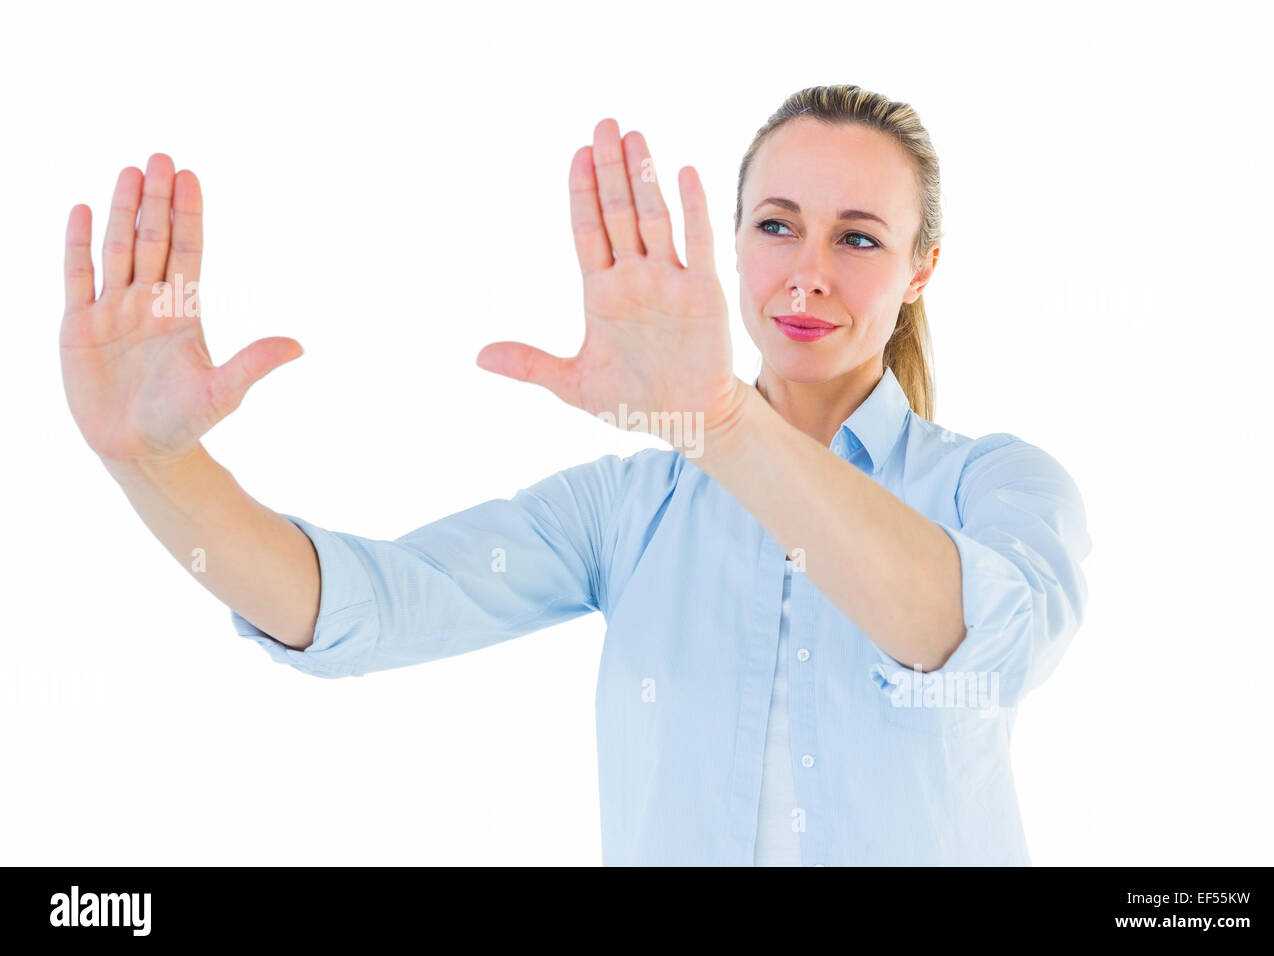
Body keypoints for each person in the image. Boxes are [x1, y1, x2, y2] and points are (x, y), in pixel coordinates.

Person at [60, 84, 1091, 866]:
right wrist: (154, 463)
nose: (807, 270)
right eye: (776, 224)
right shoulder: (628, 510)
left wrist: (720, 422)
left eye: (858, 237)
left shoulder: (999, 487)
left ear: (921, 269)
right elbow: (360, 603)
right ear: (733, 242)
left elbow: (967, 641)